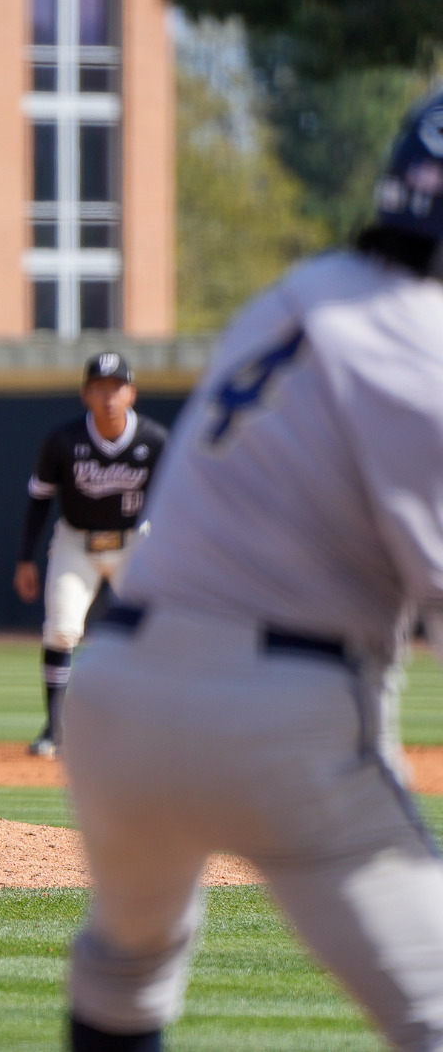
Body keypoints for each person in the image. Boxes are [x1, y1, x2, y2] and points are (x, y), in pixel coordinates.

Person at [61, 91, 443, 1052]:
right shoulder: (427, 349)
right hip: (281, 716)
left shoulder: (303, 291)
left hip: (117, 696)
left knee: (125, 972)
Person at [14, 352, 168, 757]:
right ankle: (54, 730)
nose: (108, 397)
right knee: (61, 630)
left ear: (132, 393)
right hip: (76, 542)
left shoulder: (154, 440)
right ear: (85, 394)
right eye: (99, 388)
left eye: (117, 388)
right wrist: (26, 557)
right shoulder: (64, 441)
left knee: (152, 633)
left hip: (134, 542)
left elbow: (175, 502)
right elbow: (39, 499)